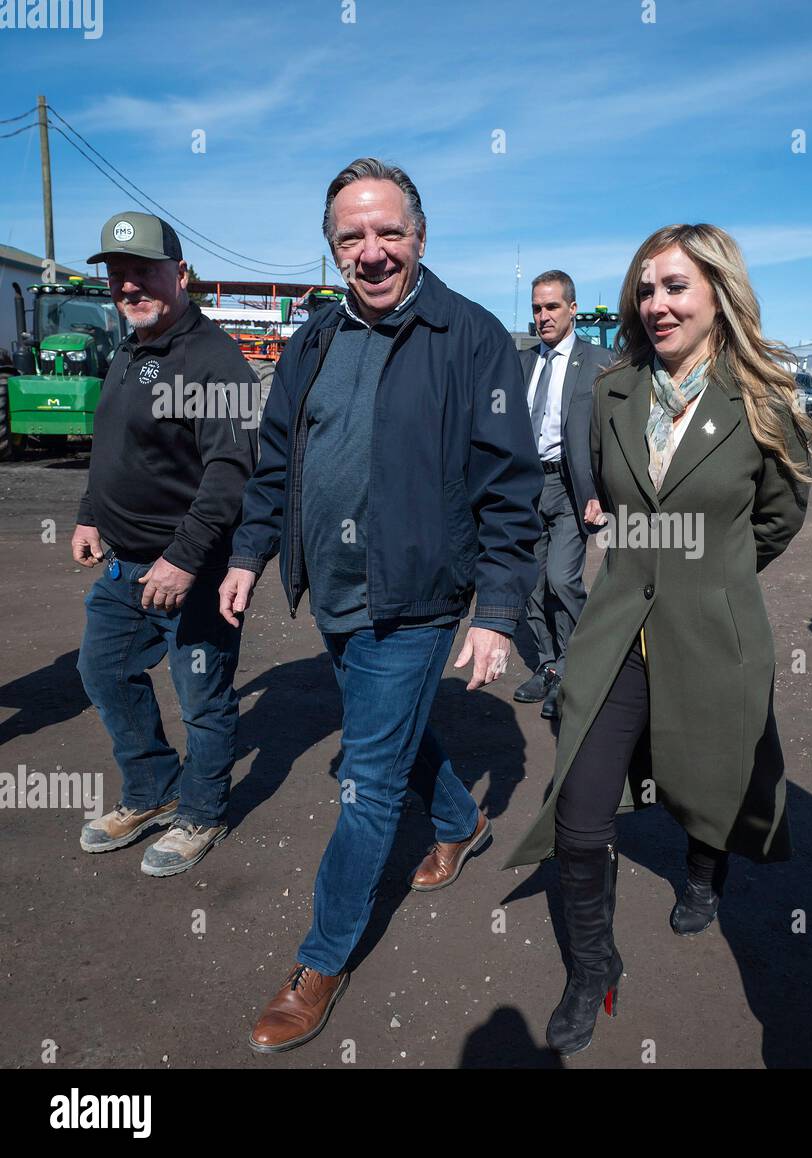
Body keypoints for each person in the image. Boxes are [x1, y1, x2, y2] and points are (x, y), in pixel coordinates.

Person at [219, 158, 543, 1053]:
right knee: (387, 730)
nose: (371, 251)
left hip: (417, 600)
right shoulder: (313, 340)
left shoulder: (470, 337)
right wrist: (251, 553)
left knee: (364, 781)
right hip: (334, 591)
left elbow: (511, 486)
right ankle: (458, 818)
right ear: (332, 250)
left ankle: (320, 960)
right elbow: (276, 460)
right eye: (351, 237)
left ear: (420, 237)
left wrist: (498, 611)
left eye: (388, 232)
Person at [506, 223, 812, 1056]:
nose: (657, 303)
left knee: (707, 782)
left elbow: (780, 517)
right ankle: (592, 968)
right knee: (578, 808)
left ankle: (706, 876)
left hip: (709, 633)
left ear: (718, 292)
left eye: (675, 286)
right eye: (646, 289)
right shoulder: (613, 391)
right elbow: (602, 492)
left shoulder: (763, 397)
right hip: (615, 631)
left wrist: (711, 575)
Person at [74, 212, 258, 876]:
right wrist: (88, 512)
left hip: (194, 568)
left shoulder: (216, 361)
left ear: (179, 274)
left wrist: (183, 558)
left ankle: (202, 813)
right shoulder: (130, 348)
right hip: (124, 566)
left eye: (144, 271)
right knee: (102, 670)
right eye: (118, 274)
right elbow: (111, 445)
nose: (129, 285)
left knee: (202, 695)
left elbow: (230, 473)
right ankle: (151, 792)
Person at [513, 270, 614, 719]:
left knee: (562, 579)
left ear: (572, 309)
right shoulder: (523, 362)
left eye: (552, 306)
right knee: (532, 583)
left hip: (572, 487)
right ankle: (550, 666)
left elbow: (614, 436)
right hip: (527, 486)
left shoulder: (602, 363)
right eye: (537, 308)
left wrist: (603, 493)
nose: (543, 316)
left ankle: (577, 666)